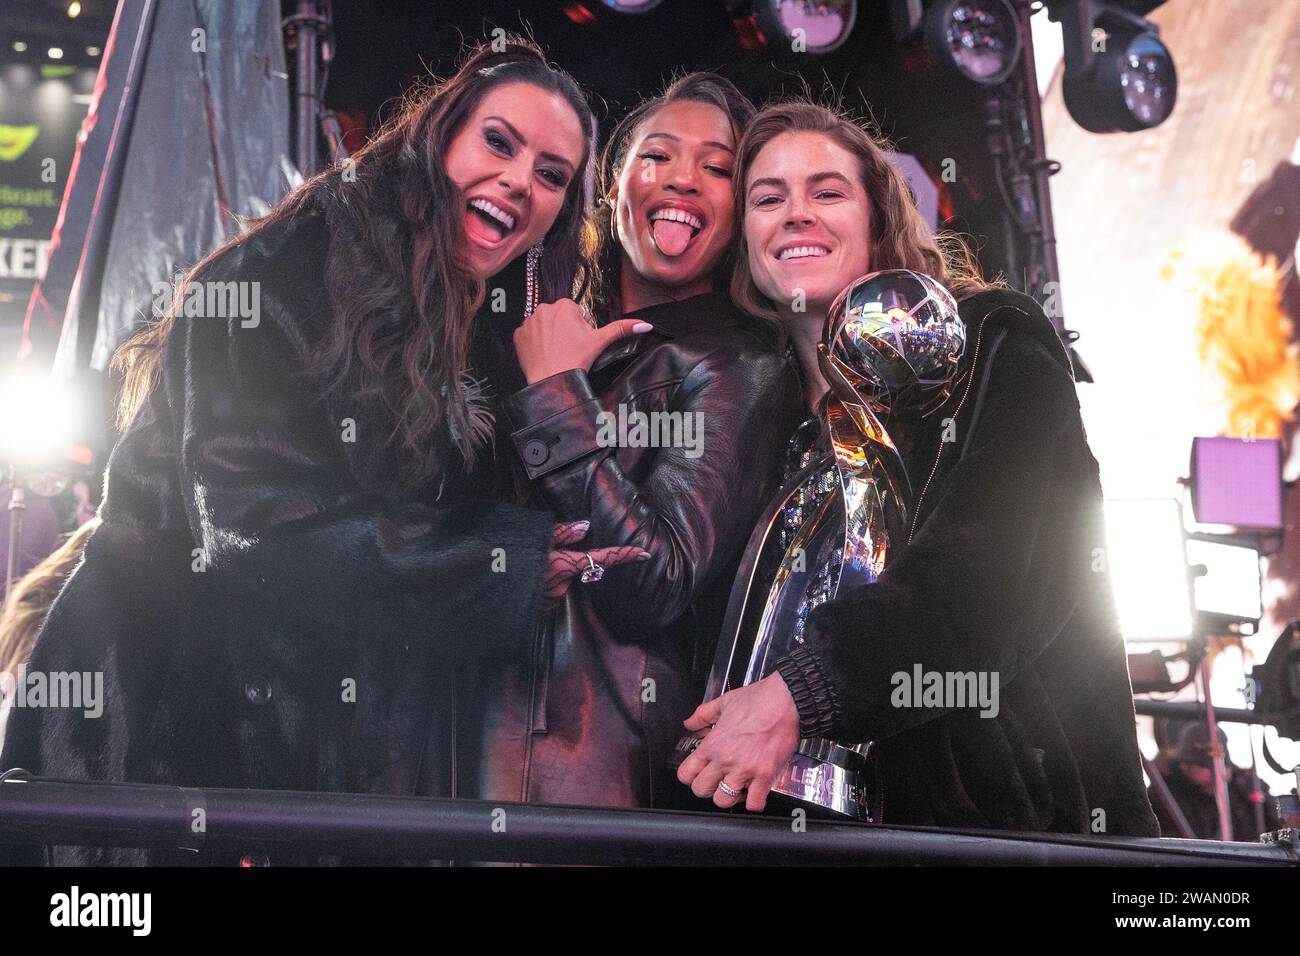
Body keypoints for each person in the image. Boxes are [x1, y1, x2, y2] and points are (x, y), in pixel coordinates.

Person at [0, 39, 647, 866]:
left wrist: (557, 395)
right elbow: (254, 523)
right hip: (158, 738)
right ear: (437, 137)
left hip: (334, 775)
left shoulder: (490, 328)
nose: (522, 179)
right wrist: (495, 562)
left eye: (553, 173)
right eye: (499, 141)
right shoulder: (280, 273)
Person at [675, 100, 1160, 836]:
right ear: (745, 240)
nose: (797, 213)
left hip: (1009, 825)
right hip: (776, 826)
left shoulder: (991, 343)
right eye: (768, 198)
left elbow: (990, 581)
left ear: (877, 218)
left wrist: (801, 693)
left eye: (827, 192)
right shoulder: (754, 419)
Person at [456, 74, 803, 809]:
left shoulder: (737, 362)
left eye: (717, 167)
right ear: (612, 189)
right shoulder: (541, 331)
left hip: (584, 782)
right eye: (659, 156)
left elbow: (654, 581)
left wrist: (556, 397)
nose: (684, 178)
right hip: (454, 753)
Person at [1150, 721, 1279, 840]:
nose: (1217, 773)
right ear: (1184, 765)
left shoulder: (1249, 789)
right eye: (1205, 766)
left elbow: (1278, 832)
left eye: (1223, 765)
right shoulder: (1160, 797)